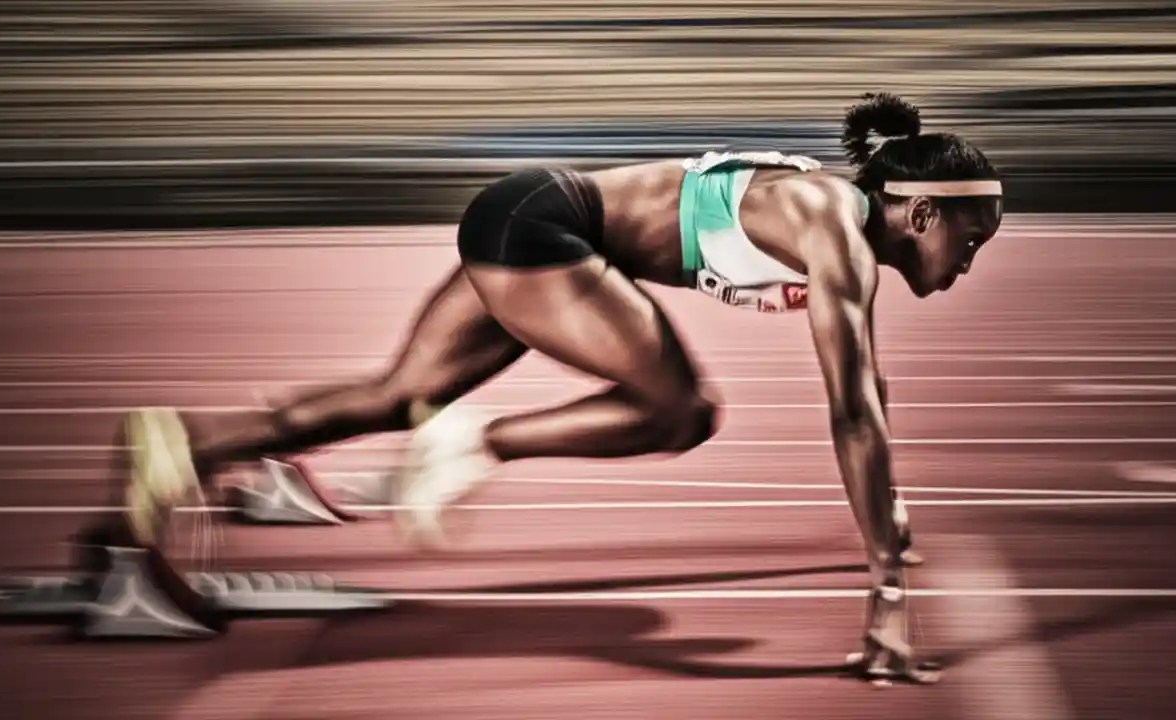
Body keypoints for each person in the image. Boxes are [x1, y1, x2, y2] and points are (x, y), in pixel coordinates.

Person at [121, 92, 1002, 683]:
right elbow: (852, 411)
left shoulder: (841, 233)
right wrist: (887, 588)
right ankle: (476, 441)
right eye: (969, 241)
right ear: (921, 212)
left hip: (529, 215)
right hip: (550, 226)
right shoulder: (837, 234)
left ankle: (180, 452)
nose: (968, 265)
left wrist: (888, 523)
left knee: (398, 395)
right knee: (679, 410)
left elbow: (866, 388)